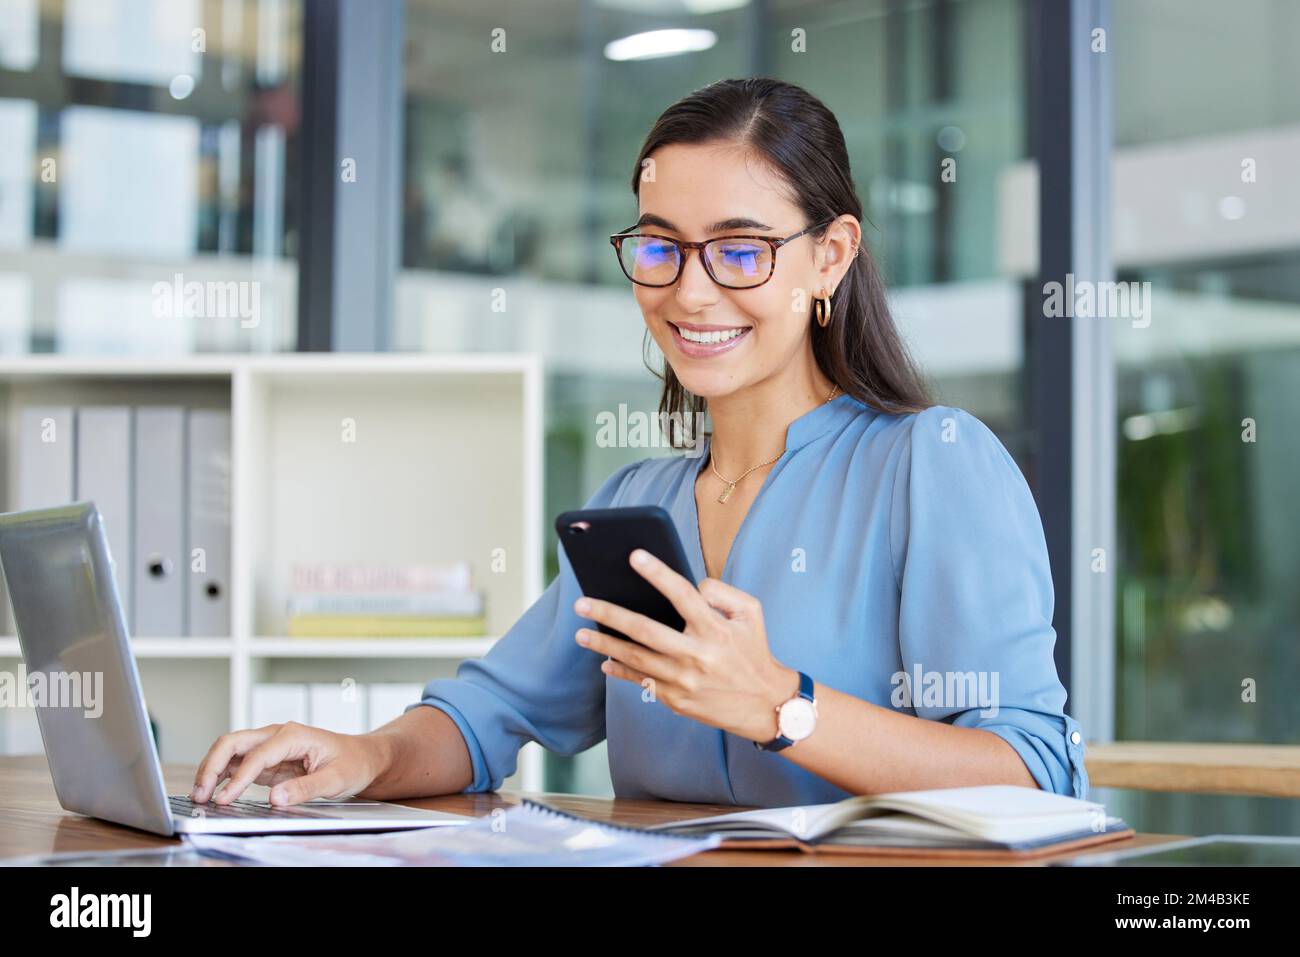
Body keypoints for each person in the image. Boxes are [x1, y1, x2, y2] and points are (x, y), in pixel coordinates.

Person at [191, 77, 1088, 810]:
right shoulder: (635, 502)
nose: (691, 294)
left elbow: (1036, 771)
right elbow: (487, 715)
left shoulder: (932, 462)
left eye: (740, 251)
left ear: (831, 256)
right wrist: (366, 755)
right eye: (661, 249)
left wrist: (782, 705)